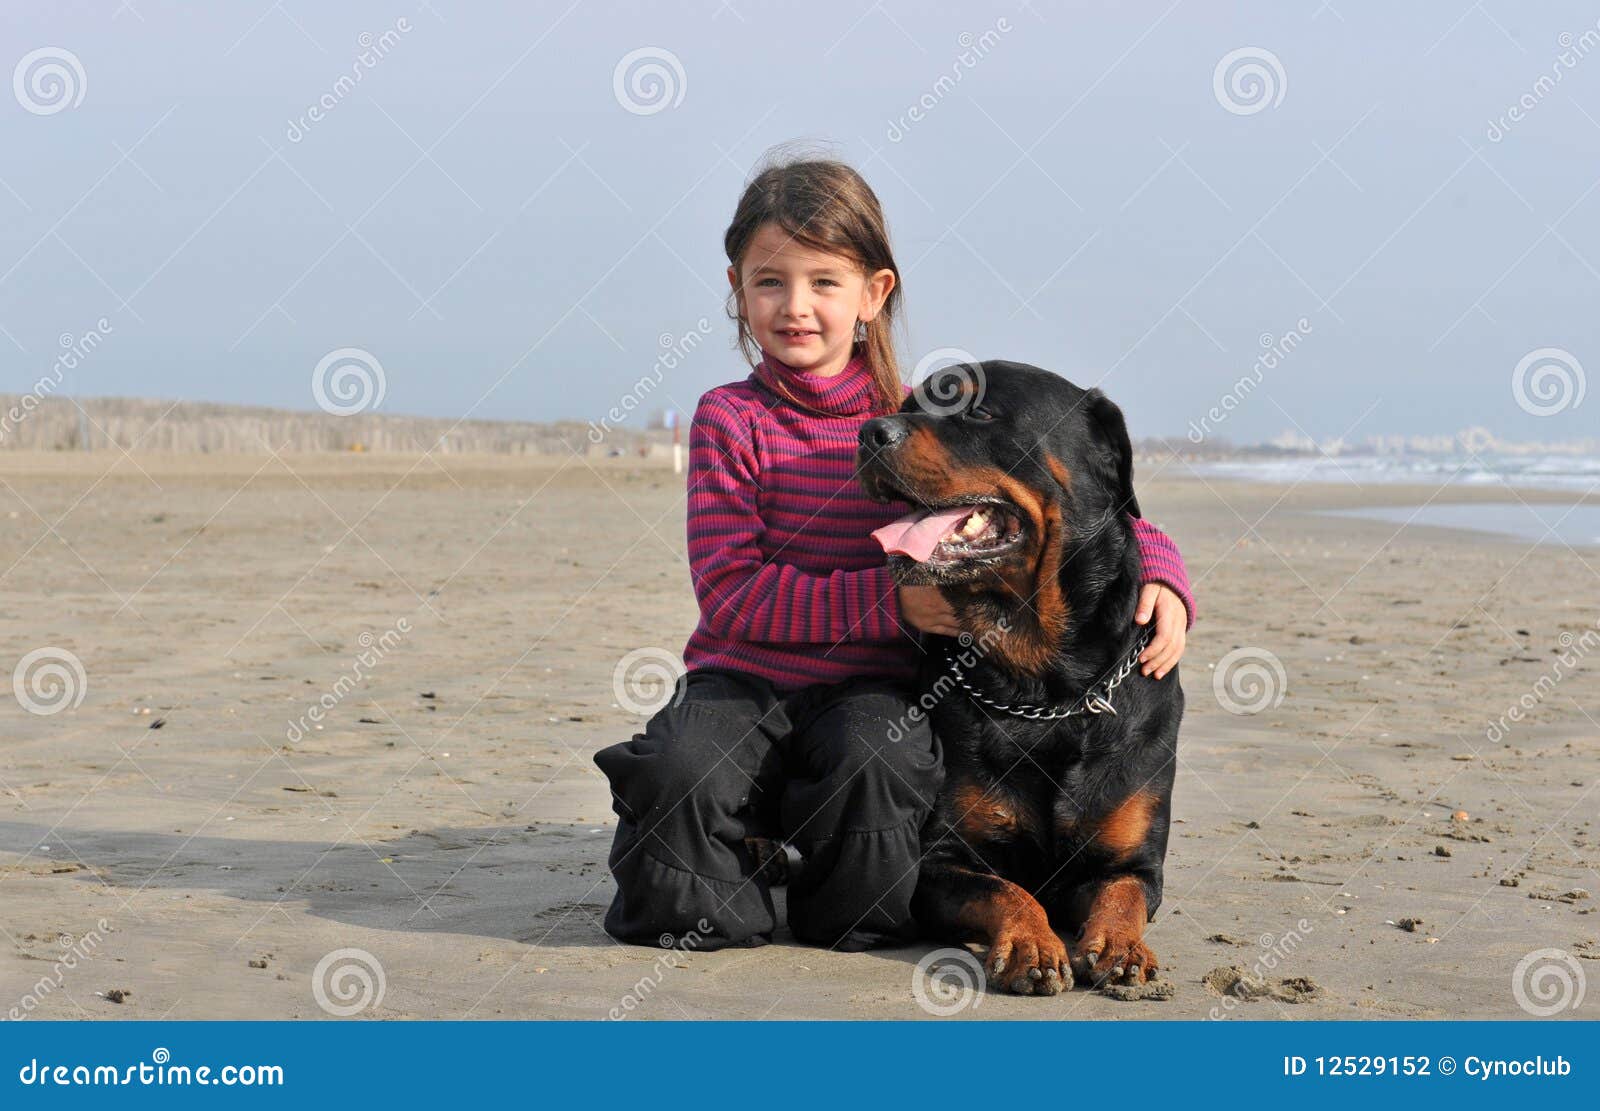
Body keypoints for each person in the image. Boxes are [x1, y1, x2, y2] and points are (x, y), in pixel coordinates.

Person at [595, 154, 1193, 953]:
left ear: (873, 295)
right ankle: (741, 871)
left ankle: (825, 898)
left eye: (824, 282)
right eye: (770, 282)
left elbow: (1083, 503)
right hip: (744, 679)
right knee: (680, 783)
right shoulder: (729, 419)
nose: (796, 306)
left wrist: (1163, 569)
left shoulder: (913, 420)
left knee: (876, 791)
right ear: (737, 290)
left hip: (871, 689)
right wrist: (894, 602)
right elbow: (732, 594)